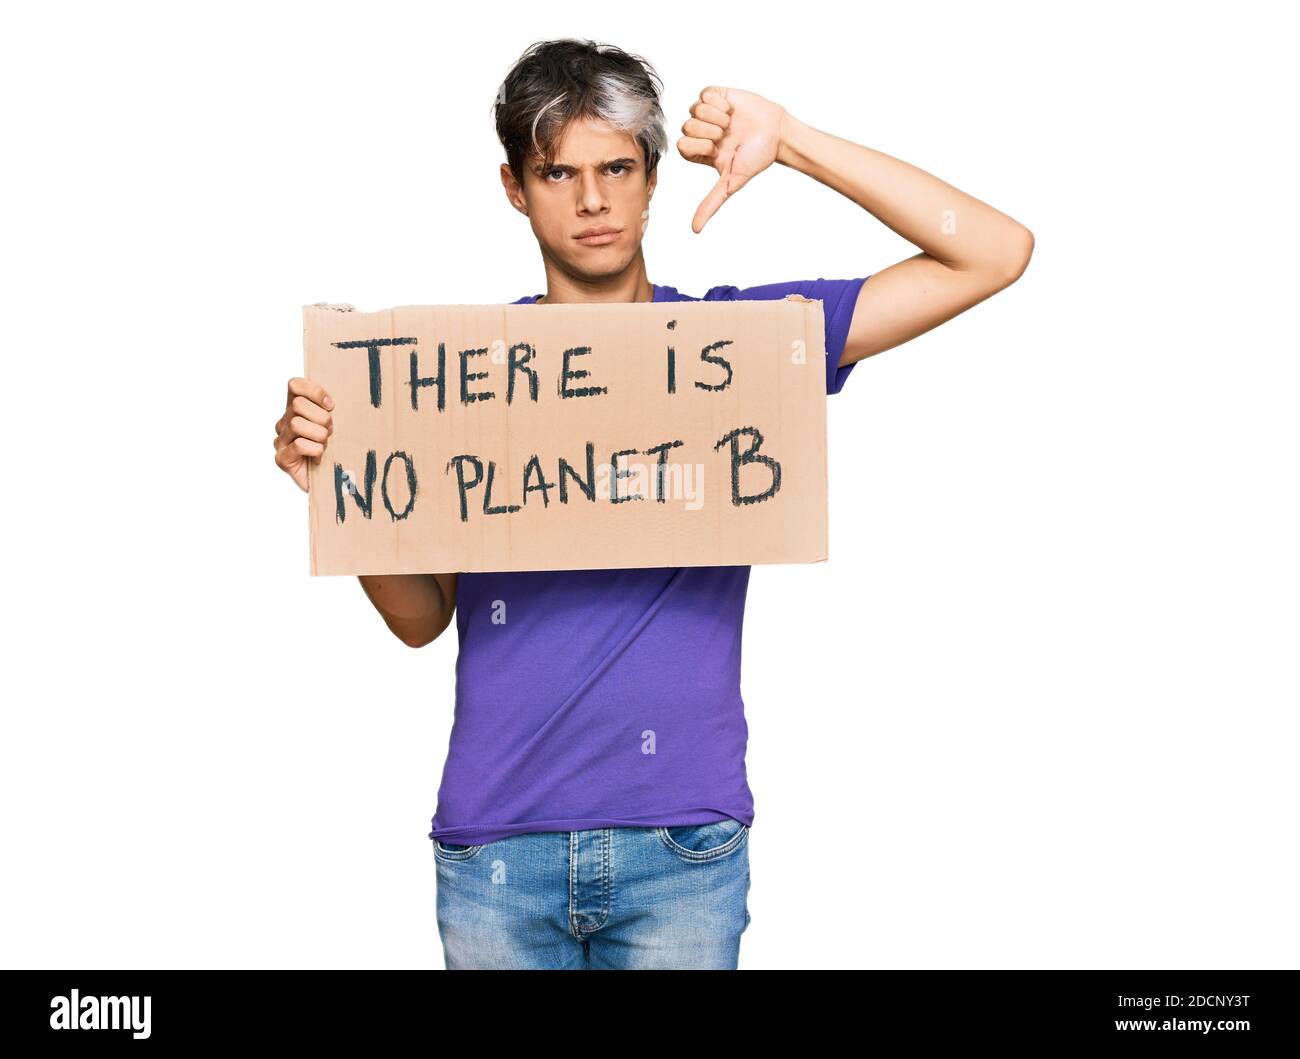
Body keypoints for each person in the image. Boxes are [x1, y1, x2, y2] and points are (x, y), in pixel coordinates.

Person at [272, 38, 1032, 970]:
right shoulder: (460, 378)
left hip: (683, 844)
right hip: (496, 845)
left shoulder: (740, 350)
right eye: (559, 172)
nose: (591, 200)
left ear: (651, 178)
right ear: (515, 186)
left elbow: (993, 252)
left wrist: (792, 140)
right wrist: (343, 492)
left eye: (616, 168)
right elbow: (421, 621)